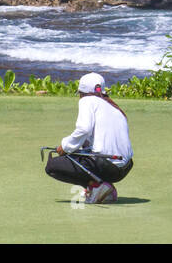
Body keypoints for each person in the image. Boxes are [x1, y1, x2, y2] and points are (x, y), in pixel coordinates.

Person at [44, 72, 134, 204]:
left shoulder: (87, 100)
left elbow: (83, 129)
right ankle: (104, 189)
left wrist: (65, 146)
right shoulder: (115, 108)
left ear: (82, 92)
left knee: (52, 167)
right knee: (83, 151)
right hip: (124, 167)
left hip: (107, 166)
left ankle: (96, 186)